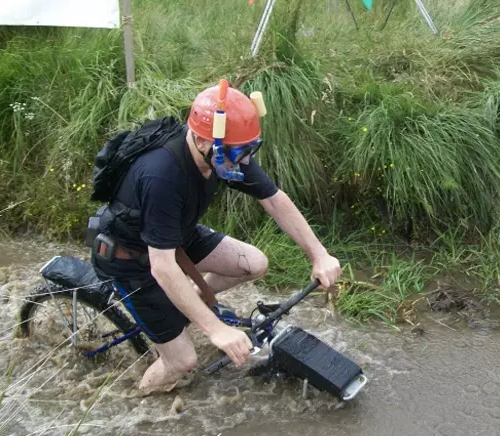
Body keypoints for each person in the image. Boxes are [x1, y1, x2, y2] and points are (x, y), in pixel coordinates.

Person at [89, 79, 341, 395]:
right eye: (238, 152)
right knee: (182, 361)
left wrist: (319, 254)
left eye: (250, 150)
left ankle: (186, 302)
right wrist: (217, 330)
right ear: (202, 139)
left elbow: (274, 199)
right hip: (131, 259)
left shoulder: (225, 151)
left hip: (175, 235)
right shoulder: (162, 174)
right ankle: (139, 405)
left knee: (254, 263)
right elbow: (163, 267)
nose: (245, 162)